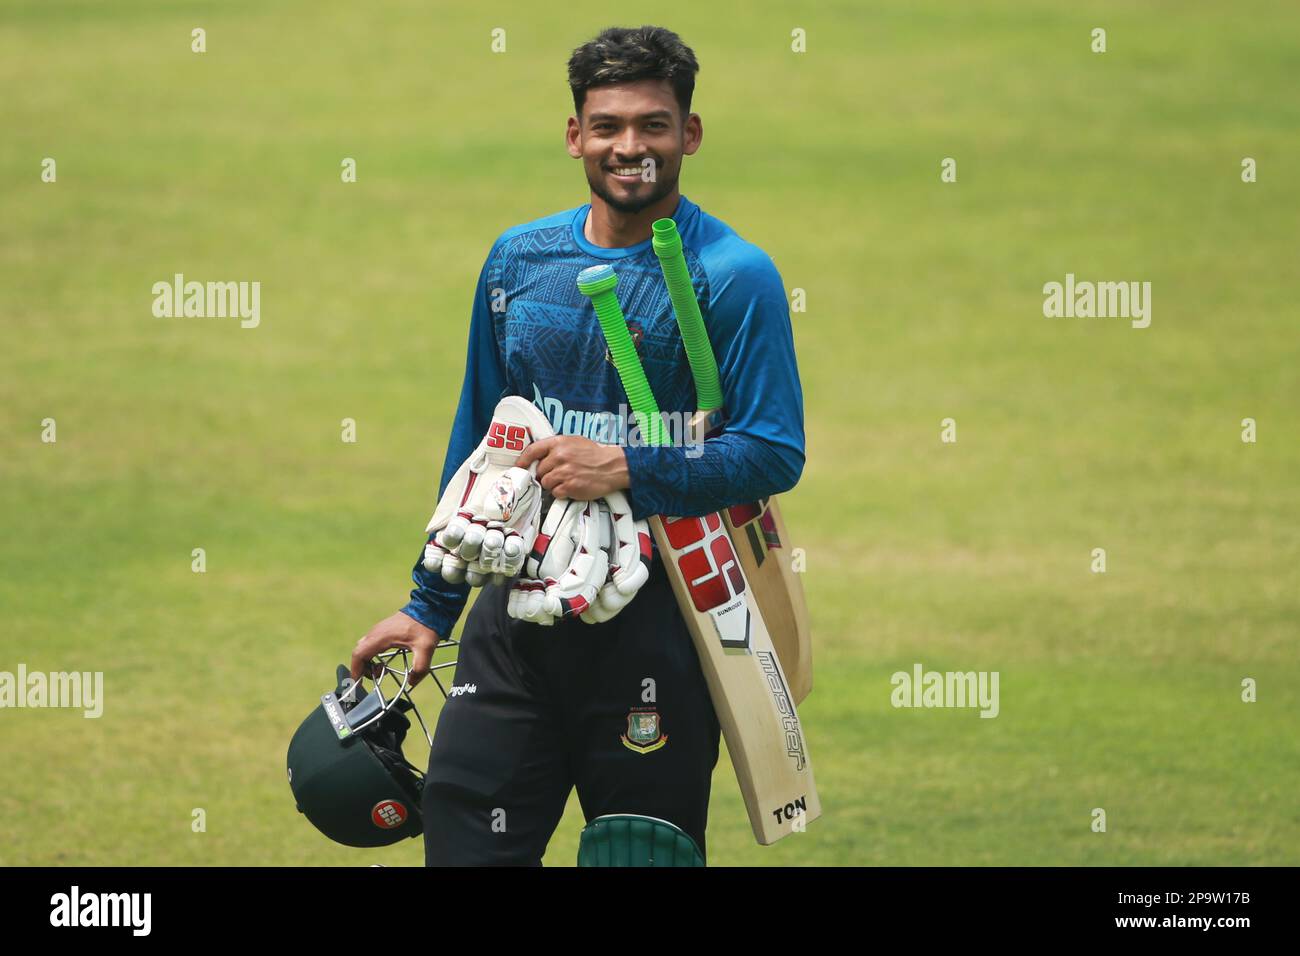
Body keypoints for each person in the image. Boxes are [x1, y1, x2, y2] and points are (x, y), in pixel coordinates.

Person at [350, 24, 805, 866]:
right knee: (464, 847)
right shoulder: (518, 261)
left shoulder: (735, 276)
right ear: (575, 137)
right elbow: (476, 446)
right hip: (514, 619)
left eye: (653, 125)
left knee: (638, 856)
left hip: (664, 629)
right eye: (608, 126)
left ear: (689, 135)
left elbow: (774, 453)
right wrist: (428, 605)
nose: (630, 147)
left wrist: (629, 467)